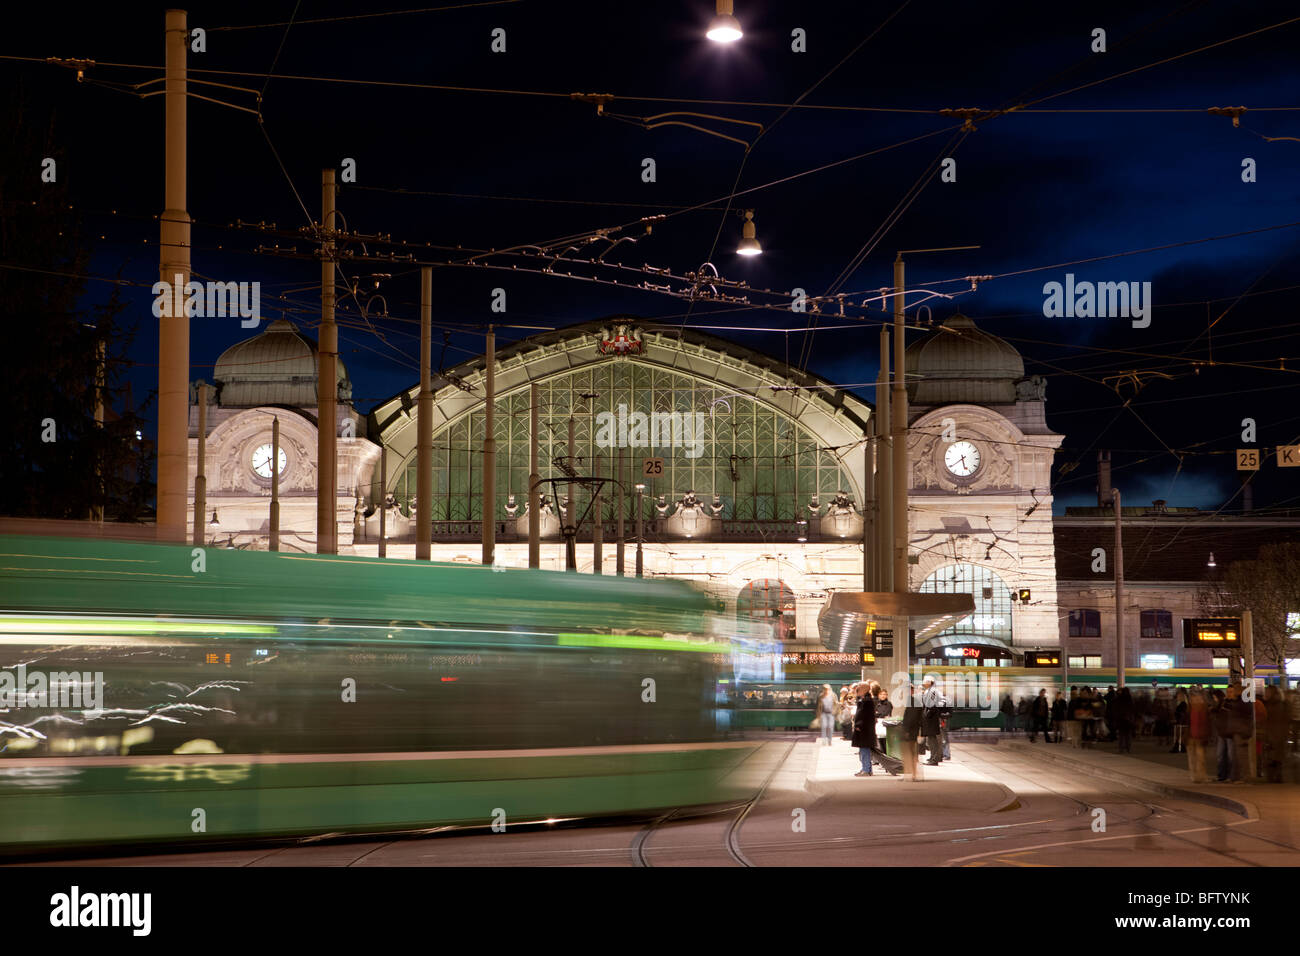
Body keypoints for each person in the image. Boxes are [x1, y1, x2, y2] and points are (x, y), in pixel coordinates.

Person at [851, 682, 878, 777]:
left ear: (864, 689)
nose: (857, 688)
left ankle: (866, 769)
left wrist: (859, 725)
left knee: (864, 750)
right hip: (863, 729)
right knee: (863, 750)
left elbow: (864, 715)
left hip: (864, 730)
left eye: (859, 687)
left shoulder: (867, 701)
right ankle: (866, 769)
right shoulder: (863, 699)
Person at [900, 683, 924, 781]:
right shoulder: (912, 701)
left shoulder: (913, 702)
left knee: (911, 753)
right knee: (910, 753)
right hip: (911, 730)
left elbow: (912, 718)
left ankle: (913, 774)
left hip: (910, 731)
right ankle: (911, 774)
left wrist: (906, 730)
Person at [1187, 687, 1210, 783]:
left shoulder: (1203, 709)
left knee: (1200, 759)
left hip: (1200, 737)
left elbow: (1207, 723)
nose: (1196, 700)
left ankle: (1201, 776)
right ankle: (1195, 775)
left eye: (1198, 698)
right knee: (1193, 758)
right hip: (1191, 737)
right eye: (1194, 698)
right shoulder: (1190, 709)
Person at [921, 677, 944, 766]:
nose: (924, 683)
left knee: (932, 739)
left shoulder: (933, 691)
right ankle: (932, 757)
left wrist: (927, 714)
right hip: (930, 717)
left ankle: (934, 758)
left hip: (931, 718)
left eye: (925, 682)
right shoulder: (930, 690)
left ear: (930, 682)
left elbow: (931, 704)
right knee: (930, 739)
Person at [1111, 686, 1134, 754]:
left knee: (1121, 734)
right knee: (1128, 735)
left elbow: (1115, 709)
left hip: (1120, 719)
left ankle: (1121, 748)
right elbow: (1132, 709)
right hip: (1128, 719)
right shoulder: (1130, 699)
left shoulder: (1119, 699)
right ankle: (1128, 748)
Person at [1172, 689, 1189, 754]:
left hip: (1181, 722)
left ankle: (1180, 747)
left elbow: (1182, 713)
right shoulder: (1183, 704)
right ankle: (1180, 747)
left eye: (1178, 696)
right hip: (1181, 721)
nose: (1177, 697)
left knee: (1180, 735)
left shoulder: (1183, 704)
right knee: (1180, 735)